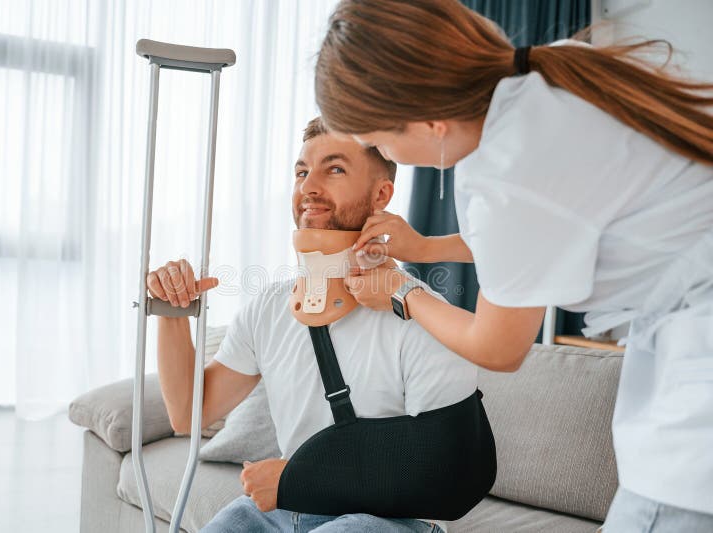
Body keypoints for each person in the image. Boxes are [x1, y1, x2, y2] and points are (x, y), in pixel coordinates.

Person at [312, 1, 713, 531]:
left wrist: (401, 292)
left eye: (379, 141)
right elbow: (548, 230)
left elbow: (499, 348)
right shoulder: (545, 80)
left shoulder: (509, 174)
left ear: (431, 122)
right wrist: (426, 248)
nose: (387, 153)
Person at [149, 117, 478, 532]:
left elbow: (447, 468)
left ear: (382, 195)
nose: (309, 187)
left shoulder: (423, 314)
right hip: (281, 512)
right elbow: (188, 415)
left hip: (389, 523)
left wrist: (298, 478)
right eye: (302, 172)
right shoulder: (270, 307)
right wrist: (170, 311)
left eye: (334, 169)